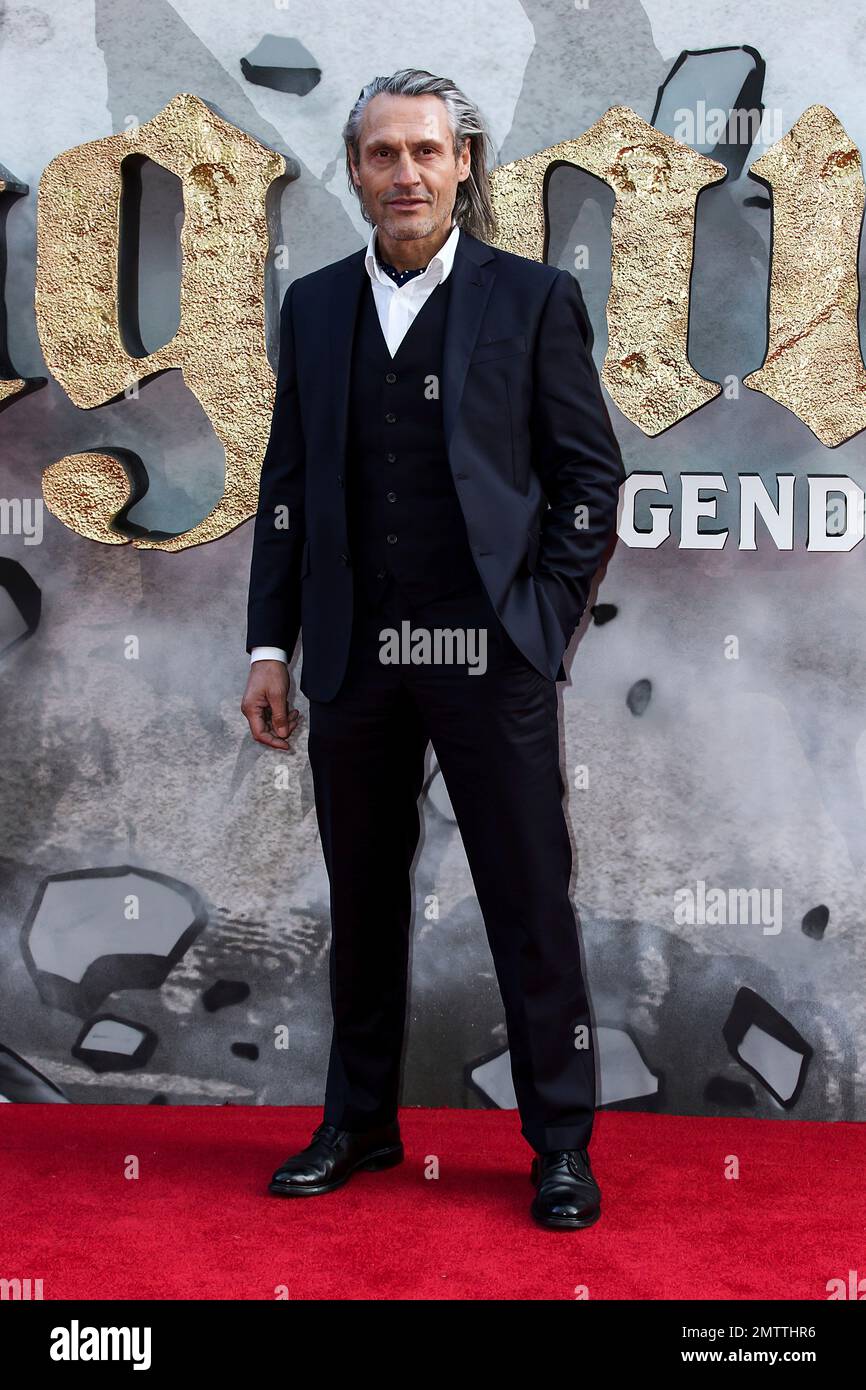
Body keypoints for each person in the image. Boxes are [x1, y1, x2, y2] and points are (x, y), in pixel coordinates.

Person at [241, 68, 625, 1230]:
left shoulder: (532, 298)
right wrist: (270, 645)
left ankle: (558, 1141)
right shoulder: (310, 305)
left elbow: (585, 480)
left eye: (424, 152)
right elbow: (289, 485)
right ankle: (357, 1121)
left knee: (526, 899)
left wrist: (539, 622)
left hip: (486, 651)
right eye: (379, 156)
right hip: (355, 657)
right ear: (353, 173)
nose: (403, 174)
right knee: (361, 898)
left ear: (463, 165)